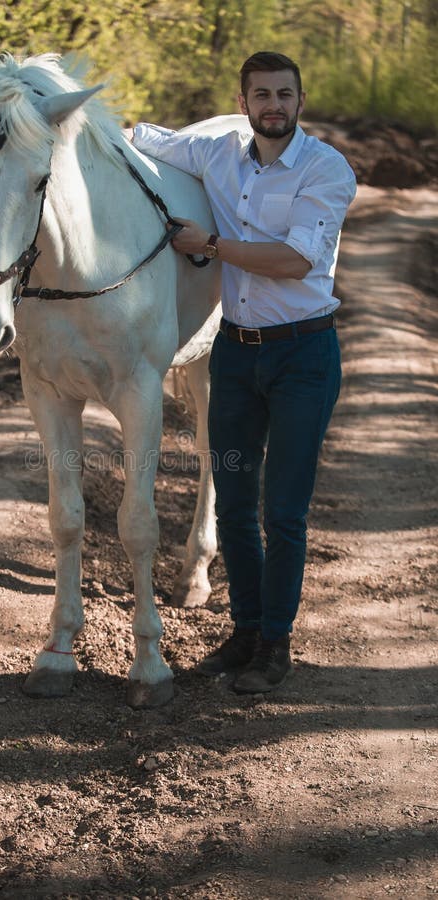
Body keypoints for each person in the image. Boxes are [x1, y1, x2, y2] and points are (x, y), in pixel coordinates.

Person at [129, 51, 357, 694]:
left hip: (302, 357)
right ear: (244, 102)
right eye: (261, 95)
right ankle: (245, 632)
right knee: (231, 504)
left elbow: (294, 261)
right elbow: (150, 139)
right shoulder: (218, 153)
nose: (273, 105)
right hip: (233, 354)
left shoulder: (325, 169)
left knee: (282, 511)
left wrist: (210, 245)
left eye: (284, 94)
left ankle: (275, 645)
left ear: (300, 100)